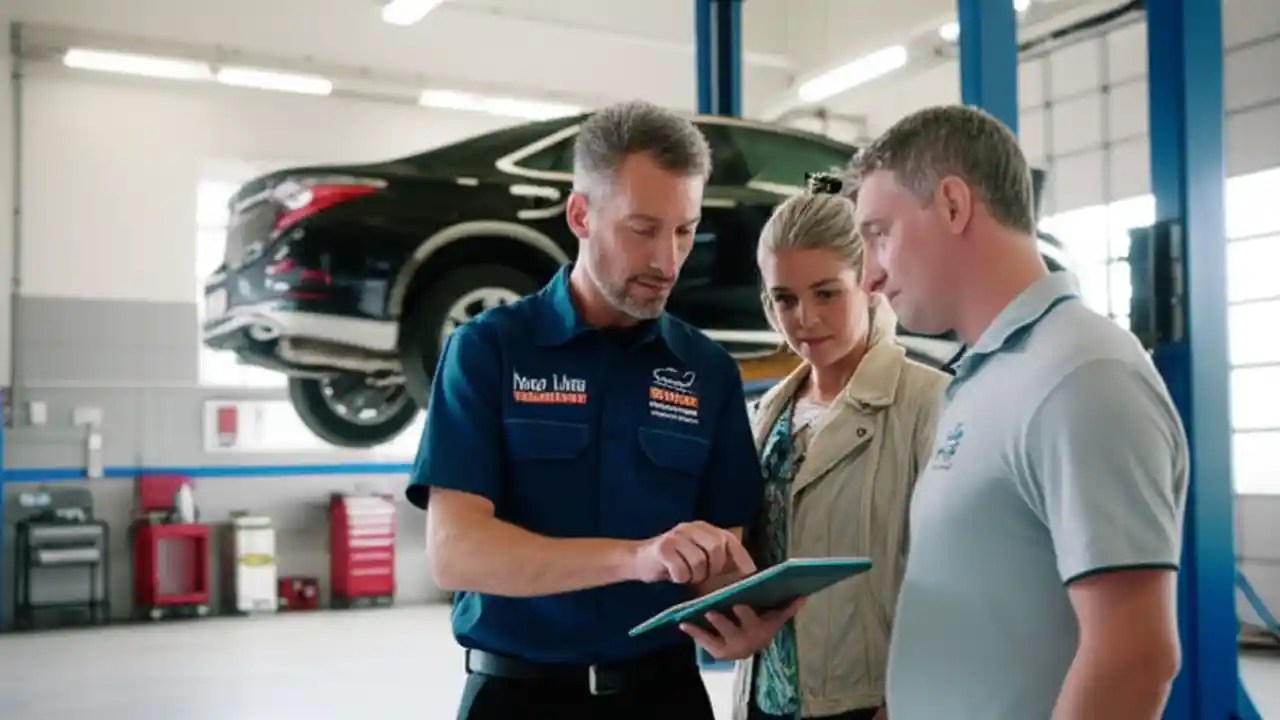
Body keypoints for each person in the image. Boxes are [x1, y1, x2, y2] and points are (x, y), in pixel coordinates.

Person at [405, 99, 765, 720]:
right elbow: (455, 552)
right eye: (642, 229)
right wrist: (635, 558)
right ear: (580, 214)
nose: (667, 261)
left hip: (665, 697)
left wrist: (750, 614)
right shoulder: (488, 351)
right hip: (517, 698)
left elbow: (718, 564)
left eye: (685, 229)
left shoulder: (708, 372)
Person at [843, 104, 1189, 720]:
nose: (869, 276)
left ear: (953, 205)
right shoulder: (978, 381)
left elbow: (1134, 653)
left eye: (878, 234)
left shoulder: (1081, 374)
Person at [677, 190, 948, 720]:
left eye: (826, 294)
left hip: (872, 705)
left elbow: (962, 581)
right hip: (762, 703)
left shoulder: (929, 405)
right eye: (785, 299)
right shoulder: (762, 417)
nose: (805, 319)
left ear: (869, 283)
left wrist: (912, 704)